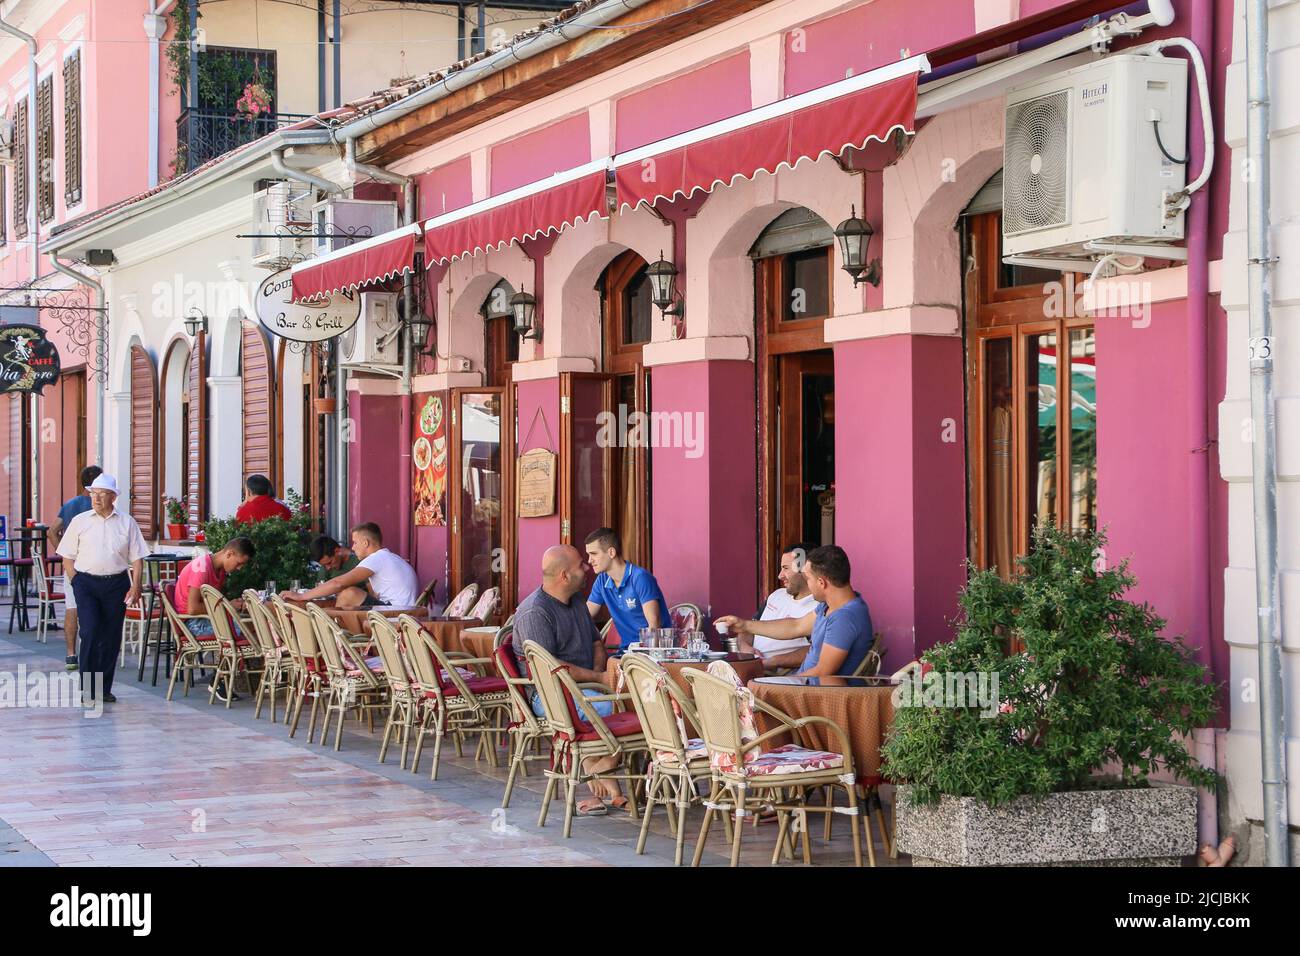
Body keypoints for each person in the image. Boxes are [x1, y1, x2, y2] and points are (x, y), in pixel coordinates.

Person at [513, 544, 624, 815]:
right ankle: (600, 778)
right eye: (580, 566)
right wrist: (598, 678)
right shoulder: (535, 612)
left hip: (584, 689)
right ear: (564, 575)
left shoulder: (575, 602)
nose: (587, 568)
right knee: (616, 708)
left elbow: (597, 643)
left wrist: (597, 679)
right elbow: (551, 669)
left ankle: (600, 769)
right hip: (548, 694)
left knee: (635, 706)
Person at [55, 473, 149, 704]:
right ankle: (88, 689)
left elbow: (137, 558)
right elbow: (66, 555)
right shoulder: (80, 521)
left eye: (101, 494)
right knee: (90, 630)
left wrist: (135, 586)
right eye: (93, 494)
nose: (95, 499)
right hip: (86, 582)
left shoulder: (127, 522)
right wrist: (75, 579)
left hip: (116, 583)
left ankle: (103, 688)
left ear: (113, 497)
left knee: (111, 635)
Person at [716, 545, 873, 678]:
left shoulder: (844, 618)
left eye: (808, 579)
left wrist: (783, 683)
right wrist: (743, 625)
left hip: (809, 695)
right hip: (800, 685)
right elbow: (795, 626)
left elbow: (823, 672)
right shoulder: (830, 606)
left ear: (821, 583)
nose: (808, 585)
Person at [173, 537, 255, 702]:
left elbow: (212, 602)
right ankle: (221, 680)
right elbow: (193, 608)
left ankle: (222, 678)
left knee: (250, 625)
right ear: (229, 554)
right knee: (244, 631)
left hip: (203, 619)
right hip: (192, 623)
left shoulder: (219, 570)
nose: (239, 568)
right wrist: (226, 605)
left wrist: (229, 605)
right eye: (238, 563)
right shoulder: (202, 569)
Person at [281, 522, 418, 609]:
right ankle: (346, 640)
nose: (353, 547)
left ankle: (337, 641)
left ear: (365, 543)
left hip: (396, 613)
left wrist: (301, 596)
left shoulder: (376, 559)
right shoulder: (389, 557)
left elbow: (338, 583)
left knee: (349, 593)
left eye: (355, 543)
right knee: (345, 601)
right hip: (402, 612)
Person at [48, 465, 103, 671]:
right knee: (94, 610)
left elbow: (52, 531)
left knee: (72, 609)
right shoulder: (99, 505)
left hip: (72, 566)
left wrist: (64, 553)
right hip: (95, 567)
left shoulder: (70, 505)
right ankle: (94, 652)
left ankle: (71, 654)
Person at [583, 527, 669, 650]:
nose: (589, 560)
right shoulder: (601, 581)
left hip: (650, 654)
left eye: (594, 554)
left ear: (611, 552)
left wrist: (642, 659)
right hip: (625, 652)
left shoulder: (640, 578)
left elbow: (654, 623)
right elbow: (584, 616)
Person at [753, 542, 819, 672]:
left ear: (805, 570)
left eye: (786, 568)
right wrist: (746, 649)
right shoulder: (777, 595)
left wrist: (774, 661)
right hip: (753, 665)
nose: (780, 575)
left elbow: (818, 650)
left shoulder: (819, 607)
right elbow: (751, 626)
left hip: (777, 675)